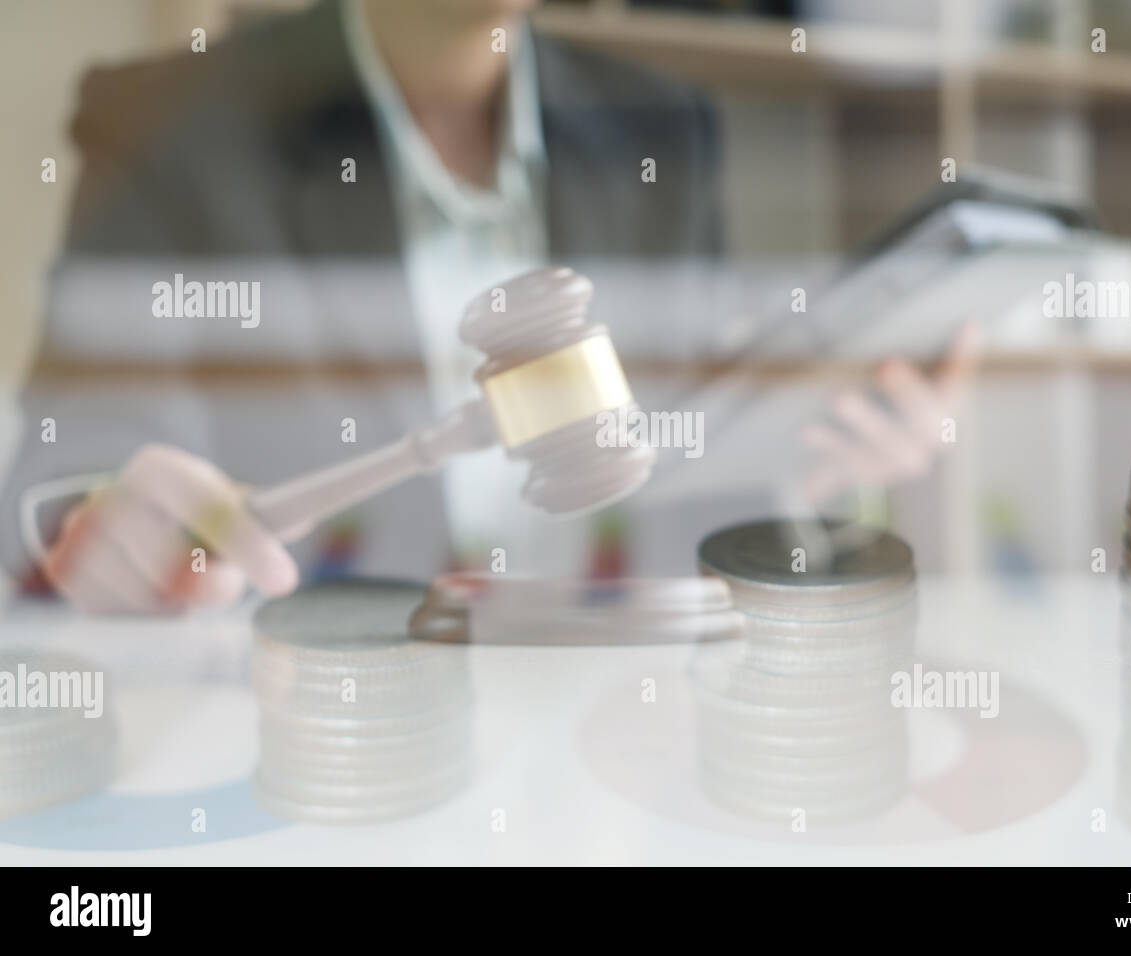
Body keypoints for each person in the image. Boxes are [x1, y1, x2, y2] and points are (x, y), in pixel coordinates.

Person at [0, 0, 975, 614]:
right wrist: (103, 517)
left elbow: (675, 465)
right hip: (310, 729)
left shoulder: (666, 124)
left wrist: (816, 467)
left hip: (602, 714)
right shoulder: (175, 118)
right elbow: (71, 455)